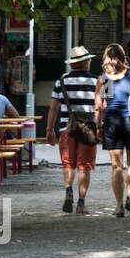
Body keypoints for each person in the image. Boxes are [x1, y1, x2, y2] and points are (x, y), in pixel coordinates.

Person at [94, 43, 130, 218]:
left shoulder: (105, 78)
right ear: (123, 56)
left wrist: (98, 126)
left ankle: (118, 206)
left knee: (116, 167)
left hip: (112, 122)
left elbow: (99, 107)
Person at [47, 46, 98, 214]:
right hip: (88, 128)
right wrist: (101, 127)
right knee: (84, 166)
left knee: (68, 163)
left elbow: (53, 109)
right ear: (85, 63)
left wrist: (49, 130)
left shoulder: (60, 81)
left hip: (66, 127)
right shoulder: (97, 81)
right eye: (89, 60)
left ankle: (69, 190)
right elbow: (101, 107)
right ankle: (81, 204)